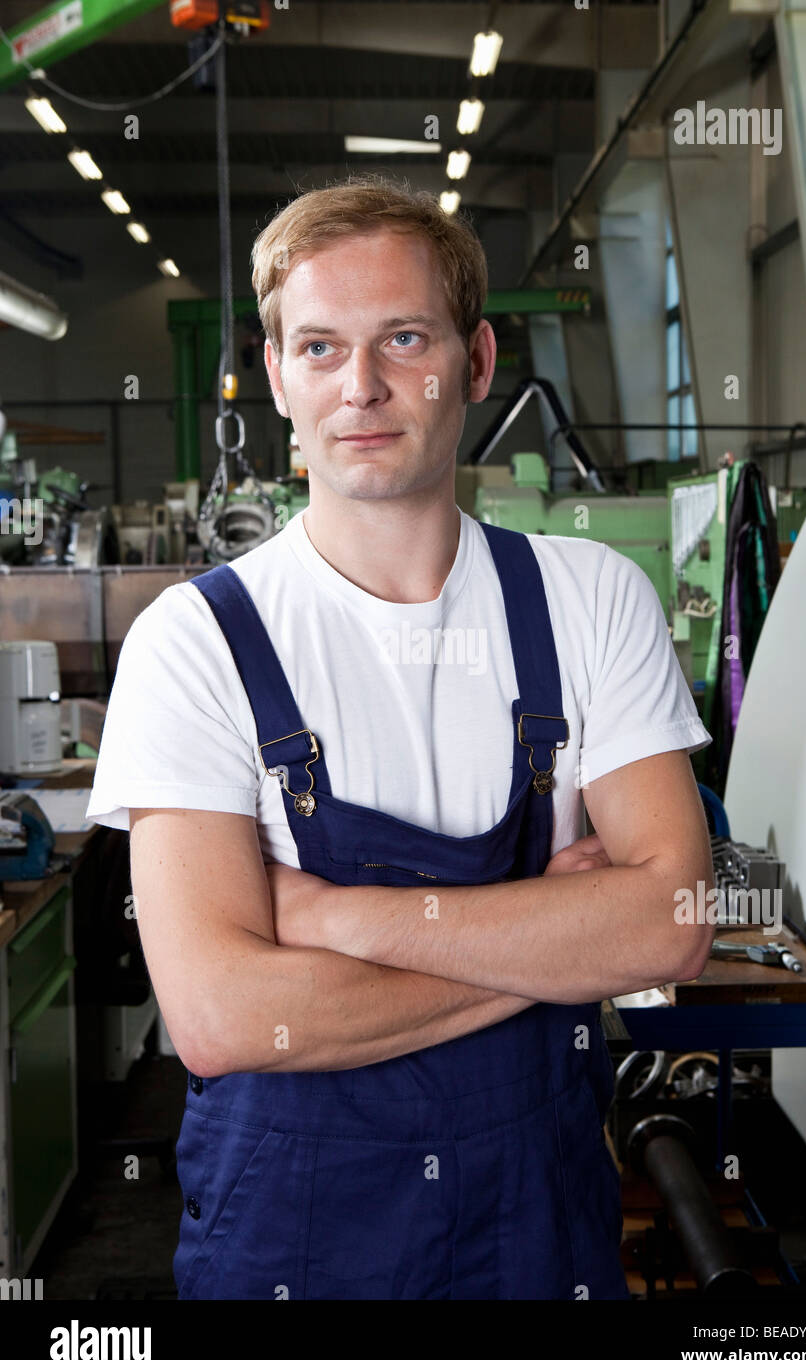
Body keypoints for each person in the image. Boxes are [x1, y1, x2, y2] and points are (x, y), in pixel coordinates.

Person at [86, 174, 714, 1301]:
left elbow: (668, 927)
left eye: (403, 338)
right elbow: (224, 1018)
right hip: (288, 1244)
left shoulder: (589, 599)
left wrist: (333, 920)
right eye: (319, 347)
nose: (361, 387)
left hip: (539, 1230)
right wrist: (559, 951)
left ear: (472, 364)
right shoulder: (194, 642)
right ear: (276, 377)